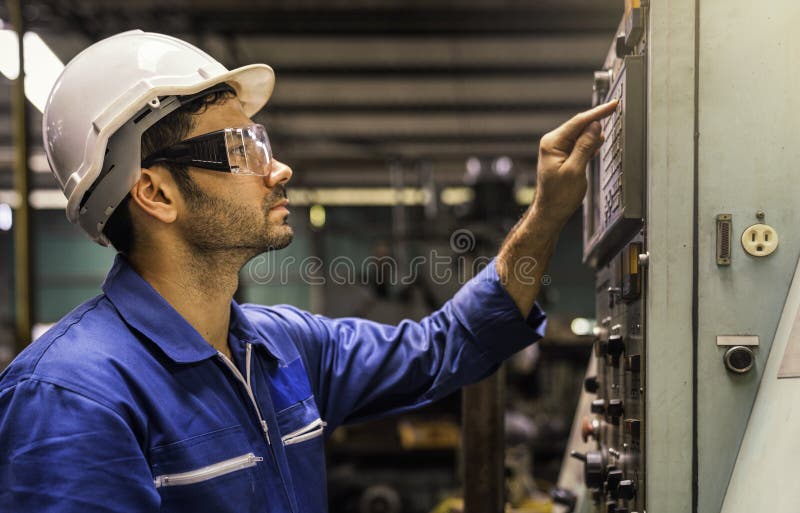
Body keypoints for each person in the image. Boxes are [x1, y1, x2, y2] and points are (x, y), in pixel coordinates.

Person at [0, 31, 616, 513]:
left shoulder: (280, 347)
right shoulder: (71, 397)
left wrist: (546, 214)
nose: (280, 170)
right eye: (242, 150)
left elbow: (444, 347)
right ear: (155, 193)